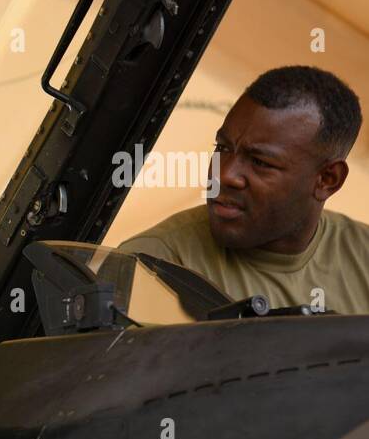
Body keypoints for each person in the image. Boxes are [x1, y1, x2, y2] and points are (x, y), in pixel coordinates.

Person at [118, 65, 369, 314]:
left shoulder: (362, 254)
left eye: (260, 162)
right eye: (223, 148)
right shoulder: (150, 265)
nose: (224, 175)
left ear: (328, 179)